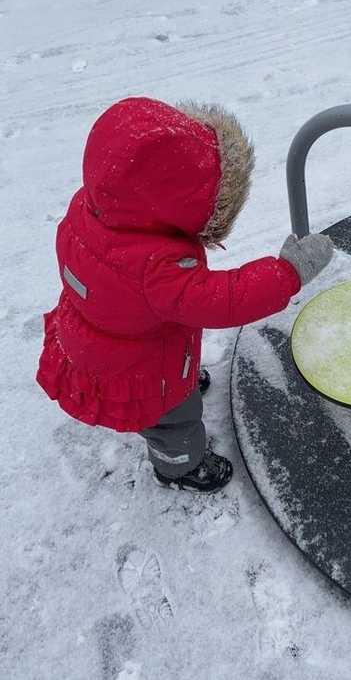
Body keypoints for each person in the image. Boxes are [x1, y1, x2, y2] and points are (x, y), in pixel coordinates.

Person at [37, 97, 334, 493]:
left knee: (172, 383)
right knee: (173, 422)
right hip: (141, 373)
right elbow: (225, 299)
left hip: (102, 338)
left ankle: (184, 382)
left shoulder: (89, 209)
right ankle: (179, 466)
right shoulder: (157, 269)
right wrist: (288, 272)